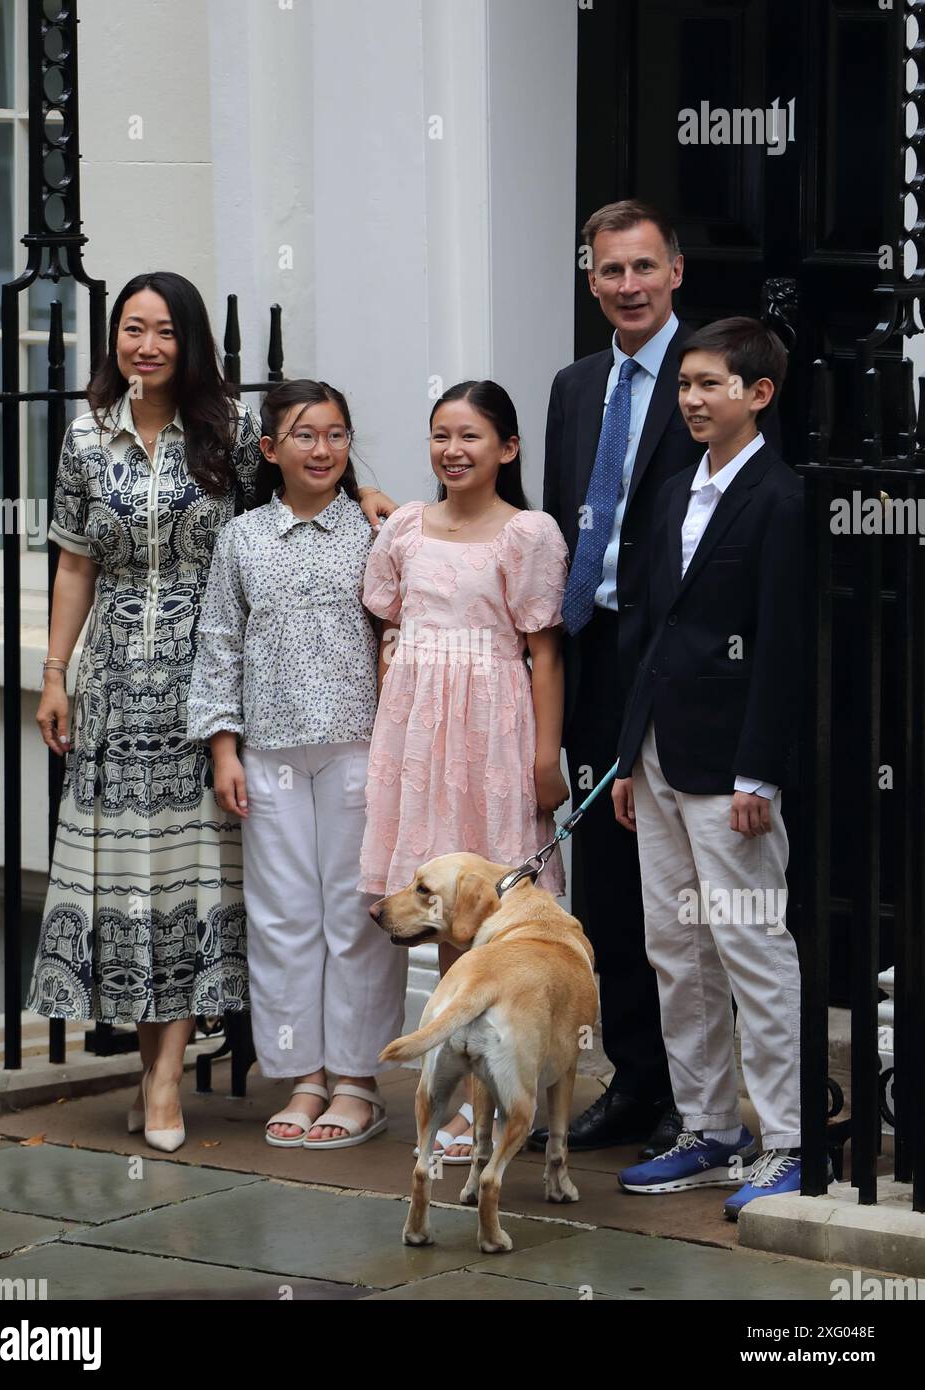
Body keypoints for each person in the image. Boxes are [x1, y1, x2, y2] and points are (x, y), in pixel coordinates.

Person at [27, 273, 390, 1152]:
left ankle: (179, 1078)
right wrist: (53, 673)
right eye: (130, 329)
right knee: (132, 884)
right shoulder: (82, 438)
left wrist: (373, 504)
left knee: (206, 885)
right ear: (113, 340)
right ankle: (158, 1070)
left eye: (163, 332)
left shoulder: (225, 435)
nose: (145, 346)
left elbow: (297, 503)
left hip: (218, 687)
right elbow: (74, 563)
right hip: (115, 680)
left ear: (189, 344)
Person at [612, 317, 813, 1218]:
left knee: (751, 951)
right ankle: (709, 1130)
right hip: (656, 758)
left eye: (709, 385)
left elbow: (786, 648)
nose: (691, 398)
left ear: (757, 394)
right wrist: (626, 755)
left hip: (731, 771)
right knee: (676, 952)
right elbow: (646, 631)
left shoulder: (781, 497)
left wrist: (758, 774)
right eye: (684, 384)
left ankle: (787, 1142)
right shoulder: (666, 493)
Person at [188, 380, 407, 1149]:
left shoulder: (378, 530)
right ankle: (302, 1076)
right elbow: (218, 642)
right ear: (270, 450)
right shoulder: (242, 538)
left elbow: (401, 635)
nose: (323, 449)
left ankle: (357, 1080)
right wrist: (223, 748)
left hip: (358, 747)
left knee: (357, 914)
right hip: (270, 752)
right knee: (282, 917)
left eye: (337, 434)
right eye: (305, 436)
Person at [359, 380, 569, 1162]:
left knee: (493, 917)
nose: (453, 449)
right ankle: (452, 1093)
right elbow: (386, 625)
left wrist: (546, 758)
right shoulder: (405, 529)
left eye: (471, 435)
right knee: (441, 918)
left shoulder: (528, 534)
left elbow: (544, 651)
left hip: (493, 733)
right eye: (441, 434)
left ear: (506, 448)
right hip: (418, 737)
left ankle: (493, 1103)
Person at [532, 201, 700, 1157]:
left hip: (674, 665)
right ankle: (634, 1083)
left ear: (674, 271)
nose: (627, 286)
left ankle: (695, 1098)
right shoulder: (573, 384)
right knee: (607, 891)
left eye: (643, 268)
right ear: (589, 278)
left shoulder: (709, 375)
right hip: (591, 659)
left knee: (681, 896)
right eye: (609, 271)